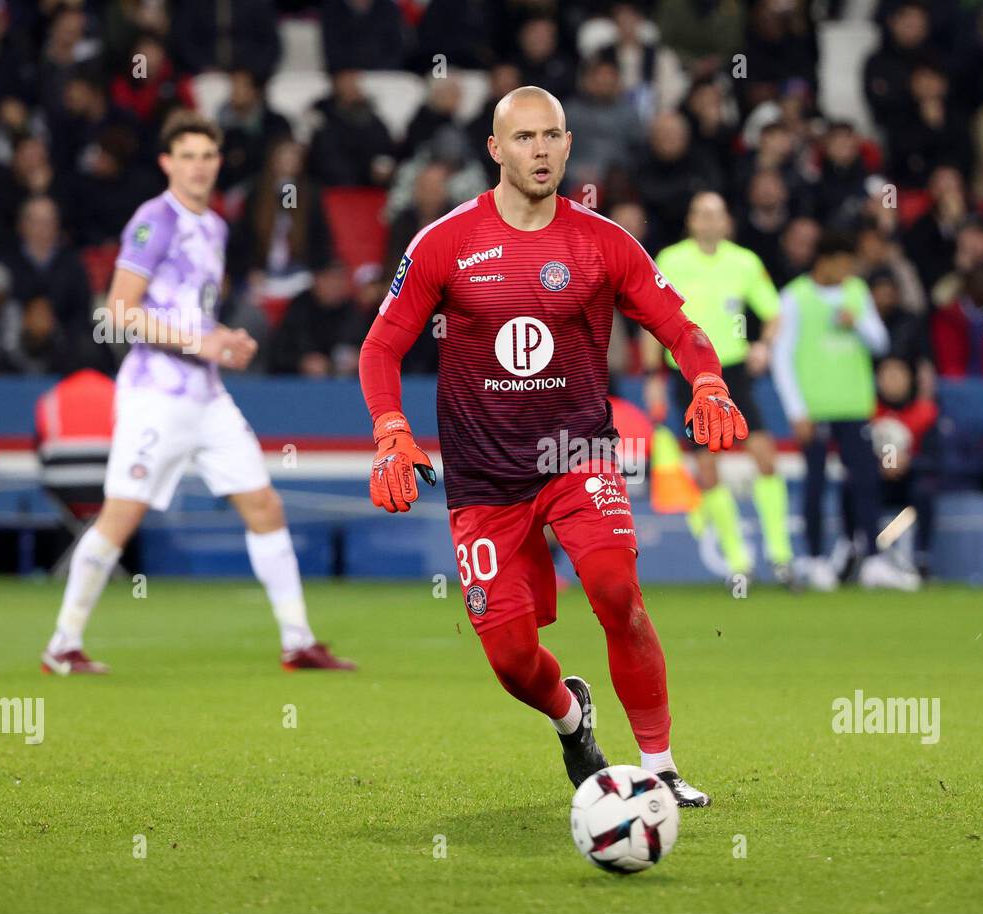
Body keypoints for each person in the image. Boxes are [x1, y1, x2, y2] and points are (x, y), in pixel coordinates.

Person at [358, 86, 749, 807]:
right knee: (510, 660)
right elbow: (380, 347)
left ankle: (658, 768)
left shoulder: (602, 242)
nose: (539, 151)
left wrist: (710, 384)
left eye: (551, 137)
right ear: (495, 151)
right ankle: (573, 720)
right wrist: (390, 429)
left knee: (615, 591)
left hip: (579, 459)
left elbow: (681, 330)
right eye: (524, 138)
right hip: (483, 478)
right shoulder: (445, 242)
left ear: (569, 146)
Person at [40, 111, 355, 675]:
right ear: (167, 162)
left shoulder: (213, 226)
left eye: (207, 155)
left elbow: (188, 314)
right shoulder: (153, 219)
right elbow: (119, 311)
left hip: (206, 397)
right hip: (155, 395)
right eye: (186, 155)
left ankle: (297, 641)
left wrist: (221, 342)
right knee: (120, 517)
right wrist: (199, 343)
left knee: (263, 504)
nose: (198, 166)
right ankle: (62, 645)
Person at [644, 192, 791, 584]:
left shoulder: (744, 262)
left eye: (716, 214)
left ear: (727, 221)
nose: (709, 221)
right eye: (701, 214)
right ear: (691, 221)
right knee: (708, 468)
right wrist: (652, 376)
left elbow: (774, 313)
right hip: (688, 373)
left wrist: (764, 345)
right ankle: (738, 562)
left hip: (733, 371)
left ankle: (780, 555)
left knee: (764, 455)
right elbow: (649, 315)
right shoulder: (671, 260)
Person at [771, 230, 918, 591]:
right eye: (844, 263)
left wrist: (860, 323)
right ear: (825, 261)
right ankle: (817, 561)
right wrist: (796, 410)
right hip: (815, 409)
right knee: (816, 483)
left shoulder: (856, 292)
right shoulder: (795, 297)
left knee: (866, 481)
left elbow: (881, 342)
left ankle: (872, 560)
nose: (849, 271)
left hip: (854, 405)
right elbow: (781, 356)